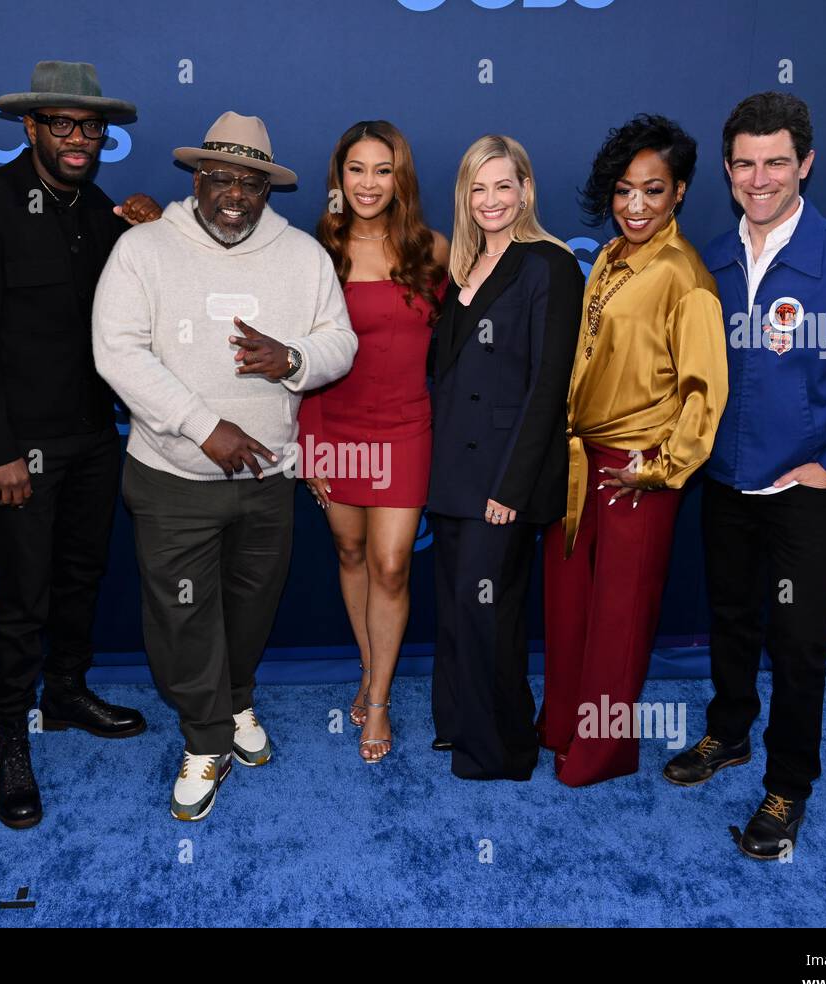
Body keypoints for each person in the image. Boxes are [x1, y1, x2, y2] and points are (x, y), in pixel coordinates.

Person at [666, 92, 826, 859]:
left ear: (805, 164)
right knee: (732, 618)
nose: (760, 177)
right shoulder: (708, 260)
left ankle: (788, 783)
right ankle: (728, 734)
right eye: (745, 163)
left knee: (798, 642)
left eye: (777, 161)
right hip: (727, 483)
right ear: (729, 170)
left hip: (805, 493)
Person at [93, 111, 357, 819]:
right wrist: (204, 427)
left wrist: (293, 357)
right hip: (173, 479)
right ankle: (204, 737)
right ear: (197, 177)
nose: (235, 193)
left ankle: (235, 701)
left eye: (251, 181)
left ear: (268, 189)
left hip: (268, 483)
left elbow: (341, 342)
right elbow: (117, 352)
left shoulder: (302, 256)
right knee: (183, 617)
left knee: (249, 607)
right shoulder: (145, 250)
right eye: (222, 178)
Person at [0, 61, 156, 830]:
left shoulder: (98, 209)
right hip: (18, 448)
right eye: (61, 124)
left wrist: (146, 227)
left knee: (81, 577)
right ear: (30, 127)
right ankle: (11, 743)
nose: (78, 138)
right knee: (21, 597)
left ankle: (65, 693)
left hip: (96, 437)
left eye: (90, 127)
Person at [538, 115, 728, 787]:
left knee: (618, 623)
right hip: (581, 462)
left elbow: (705, 393)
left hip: (635, 471)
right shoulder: (615, 256)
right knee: (570, 610)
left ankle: (602, 751)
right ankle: (561, 724)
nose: (636, 205)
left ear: (679, 192)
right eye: (623, 191)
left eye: (653, 190)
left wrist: (657, 470)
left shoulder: (686, 276)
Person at [428, 135, 582, 781]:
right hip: (451, 474)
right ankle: (460, 726)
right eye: (478, 187)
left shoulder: (548, 264)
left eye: (503, 186)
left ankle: (502, 751)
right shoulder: (462, 271)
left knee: (490, 608)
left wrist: (513, 487)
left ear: (525, 190)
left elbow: (549, 385)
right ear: (465, 195)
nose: (491, 200)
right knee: (458, 608)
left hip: (502, 476)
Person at [299, 120, 448, 763]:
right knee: (350, 550)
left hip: (406, 426)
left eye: (382, 170)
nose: (368, 183)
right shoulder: (317, 253)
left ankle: (381, 700)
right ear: (339, 178)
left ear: (401, 178)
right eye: (355, 169)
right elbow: (299, 358)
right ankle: (367, 669)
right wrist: (308, 445)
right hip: (334, 425)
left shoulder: (433, 252)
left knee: (392, 563)